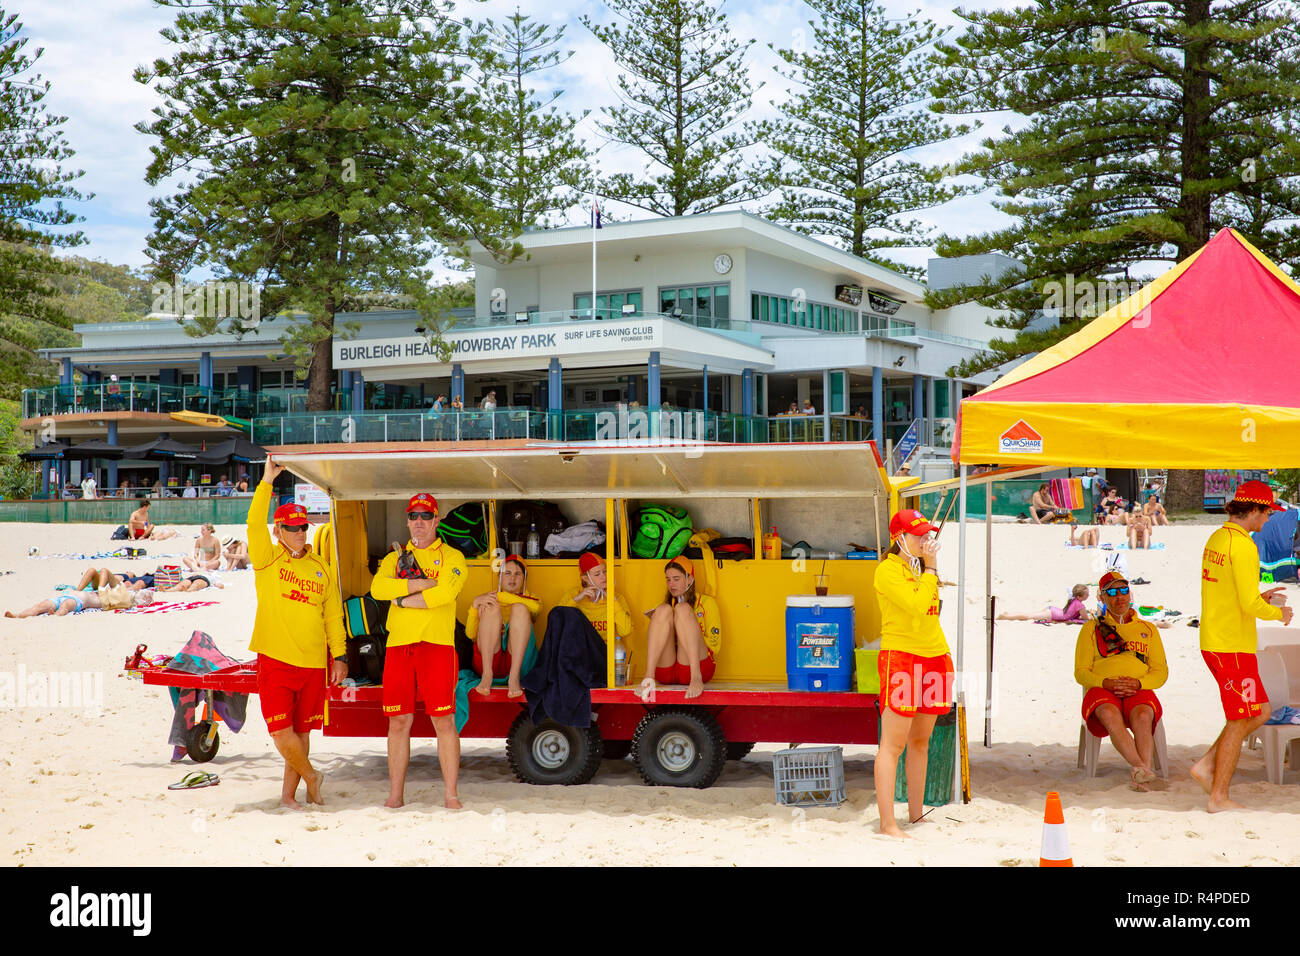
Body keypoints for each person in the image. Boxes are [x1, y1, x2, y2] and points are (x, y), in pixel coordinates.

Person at [246, 460, 347, 810]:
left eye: (303, 526)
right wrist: (266, 483)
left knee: (303, 733)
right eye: (291, 527)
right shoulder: (267, 559)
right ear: (279, 530)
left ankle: (289, 796)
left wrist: (341, 656)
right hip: (275, 658)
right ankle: (312, 777)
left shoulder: (320, 565)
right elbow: (252, 524)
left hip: (314, 662)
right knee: (280, 732)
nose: (300, 532)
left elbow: (333, 614)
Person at [1190, 480, 1293, 812]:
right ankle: (1218, 796)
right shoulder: (1244, 545)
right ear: (1252, 510)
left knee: (1259, 711)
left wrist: (1256, 598)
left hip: (1215, 639)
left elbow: (1231, 594)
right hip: (1231, 645)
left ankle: (1206, 764)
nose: (1267, 521)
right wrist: (1279, 612)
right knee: (1241, 718)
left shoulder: (1216, 538)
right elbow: (1250, 606)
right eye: (1266, 513)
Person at [369, 492, 468, 809]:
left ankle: (451, 795)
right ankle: (395, 795)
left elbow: (446, 595)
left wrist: (399, 601)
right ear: (407, 520)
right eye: (414, 516)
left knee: (444, 721)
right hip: (400, 647)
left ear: (436, 520)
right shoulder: (393, 558)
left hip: (437, 647)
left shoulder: (453, 557)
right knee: (398, 723)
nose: (419, 522)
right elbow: (377, 589)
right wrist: (418, 585)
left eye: (426, 516)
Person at [873, 508, 953, 839]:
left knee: (921, 741)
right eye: (918, 535)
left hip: (934, 655)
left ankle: (916, 815)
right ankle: (887, 824)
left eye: (927, 535)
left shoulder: (920, 569)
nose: (926, 540)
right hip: (902, 657)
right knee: (892, 745)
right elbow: (917, 605)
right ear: (899, 539)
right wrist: (932, 569)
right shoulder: (887, 571)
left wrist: (929, 570)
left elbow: (931, 611)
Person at [1075, 570, 1169, 791]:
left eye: (1124, 590)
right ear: (1102, 598)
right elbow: (1080, 672)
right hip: (1103, 687)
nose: (1120, 597)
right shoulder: (1091, 629)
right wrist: (1105, 683)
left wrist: (1138, 684)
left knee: (1144, 715)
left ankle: (1141, 771)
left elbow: (1160, 672)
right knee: (1108, 713)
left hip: (1138, 686)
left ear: (1130, 593)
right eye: (1113, 592)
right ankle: (1142, 768)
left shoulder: (1148, 629)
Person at [639, 555, 720, 700]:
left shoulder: (707, 603)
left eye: (677, 579)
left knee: (682, 608)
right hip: (668, 669)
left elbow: (715, 644)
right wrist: (670, 630)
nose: (671, 584)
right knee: (663, 609)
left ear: (690, 579)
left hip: (696, 667)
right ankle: (648, 677)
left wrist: (688, 630)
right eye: (668, 579)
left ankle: (696, 678)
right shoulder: (666, 604)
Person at [467, 554, 540, 698]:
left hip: (519, 663)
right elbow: (470, 635)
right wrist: (476, 604)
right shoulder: (488, 599)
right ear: (500, 576)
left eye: (518, 574)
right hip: (490, 660)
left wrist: (499, 597)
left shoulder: (533, 599)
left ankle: (514, 677)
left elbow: (536, 608)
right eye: (507, 573)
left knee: (520, 608)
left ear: (524, 578)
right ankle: (487, 676)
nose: (512, 578)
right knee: (491, 608)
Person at [561, 551, 632, 649]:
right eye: (597, 574)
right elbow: (558, 624)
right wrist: (576, 599)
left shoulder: (617, 598)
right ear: (585, 578)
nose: (604, 577)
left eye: (605, 571)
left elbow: (625, 631)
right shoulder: (573, 595)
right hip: (580, 653)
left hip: (605, 654)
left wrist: (613, 601)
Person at [6, 587, 155, 618]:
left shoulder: (109, 600)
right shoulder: (109, 593)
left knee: (65, 606)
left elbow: (136, 599)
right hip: (64, 596)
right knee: (38, 606)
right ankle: (18, 615)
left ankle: (57, 615)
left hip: (78, 600)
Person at [998, 583, 1091, 623]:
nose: (1088, 596)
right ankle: (1006, 616)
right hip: (1053, 614)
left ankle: (1008, 614)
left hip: (1053, 610)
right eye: (1086, 595)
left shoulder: (1074, 600)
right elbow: (1085, 618)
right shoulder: (1080, 605)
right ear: (1079, 597)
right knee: (1028, 616)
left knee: (1030, 614)